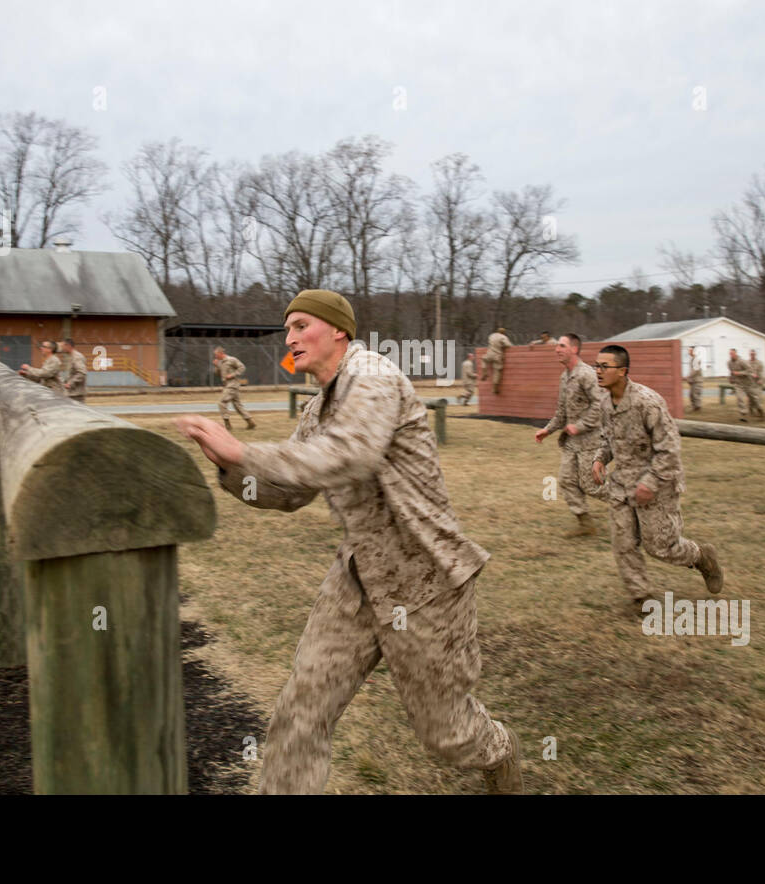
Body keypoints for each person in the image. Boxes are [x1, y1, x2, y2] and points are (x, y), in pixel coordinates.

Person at [175, 289, 521, 795]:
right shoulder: (317, 409)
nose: (290, 338)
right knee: (302, 709)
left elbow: (349, 455)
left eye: (300, 326)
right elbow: (290, 492)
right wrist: (227, 463)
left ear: (338, 330)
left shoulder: (374, 377)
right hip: (358, 577)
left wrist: (246, 449)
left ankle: (499, 750)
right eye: (287, 329)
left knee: (448, 737)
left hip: (427, 579)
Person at [590, 345, 722, 614]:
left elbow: (670, 448)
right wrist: (599, 458)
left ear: (623, 371)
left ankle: (701, 556)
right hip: (621, 485)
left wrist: (650, 483)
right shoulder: (605, 403)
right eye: (596, 365)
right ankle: (642, 599)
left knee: (661, 547)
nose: (598, 371)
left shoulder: (647, 402)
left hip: (658, 484)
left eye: (605, 366)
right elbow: (608, 438)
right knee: (623, 543)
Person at [534, 333, 605, 538]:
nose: (557, 349)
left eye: (562, 346)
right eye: (557, 346)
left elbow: (599, 405)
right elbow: (562, 412)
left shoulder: (587, 374)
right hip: (572, 442)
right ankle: (585, 523)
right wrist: (548, 430)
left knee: (593, 486)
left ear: (574, 349)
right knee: (566, 480)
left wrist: (580, 426)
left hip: (591, 440)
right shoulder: (564, 377)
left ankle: (631, 505)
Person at [479, 327, 513, 395]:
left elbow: (490, 342)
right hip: (497, 355)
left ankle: (484, 372)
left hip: (489, 353)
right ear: (503, 332)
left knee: (484, 360)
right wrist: (502, 345)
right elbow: (508, 345)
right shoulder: (503, 337)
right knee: (497, 372)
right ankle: (495, 388)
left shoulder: (492, 335)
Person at [60, 339, 88, 404]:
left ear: (68, 346)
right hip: (73, 393)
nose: (61, 349)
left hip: (76, 394)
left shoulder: (77, 357)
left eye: (62, 346)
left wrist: (70, 383)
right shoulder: (72, 356)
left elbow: (82, 372)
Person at [727, 348, 751, 422]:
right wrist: (731, 378)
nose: (731, 355)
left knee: (753, 399)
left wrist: (739, 373)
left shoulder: (742, 361)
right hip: (738, 383)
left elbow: (749, 370)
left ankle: (758, 410)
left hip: (747, 382)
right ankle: (743, 414)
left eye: (733, 353)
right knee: (739, 398)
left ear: (736, 353)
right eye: (730, 354)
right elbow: (731, 372)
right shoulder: (729, 363)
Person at [746, 350, 765, 418]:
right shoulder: (747, 363)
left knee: (758, 399)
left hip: (757, 384)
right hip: (749, 383)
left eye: (753, 354)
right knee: (751, 399)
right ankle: (751, 411)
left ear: (755, 355)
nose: (752, 355)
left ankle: (760, 411)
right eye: (751, 354)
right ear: (749, 355)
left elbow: (761, 373)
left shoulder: (759, 363)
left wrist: (761, 380)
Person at [685, 346, 704, 412]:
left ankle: (698, 408)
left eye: (690, 350)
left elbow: (695, 370)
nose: (689, 352)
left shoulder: (697, 359)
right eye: (689, 350)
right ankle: (695, 407)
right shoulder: (692, 359)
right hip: (693, 381)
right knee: (691, 395)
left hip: (697, 381)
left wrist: (688, 376)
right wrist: (689, 379)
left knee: (696, 395)